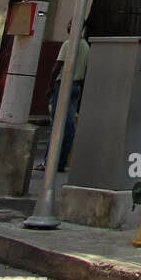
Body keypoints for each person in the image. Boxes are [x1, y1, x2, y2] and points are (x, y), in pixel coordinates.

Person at [38, 20, 90, 172]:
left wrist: (50, 86)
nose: (67, 26)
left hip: (64, 85)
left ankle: (49, 162)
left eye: (70, 24)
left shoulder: (68, 44)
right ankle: (61, 161)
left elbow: (57, 66)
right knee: (69, 126)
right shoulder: (86, 46)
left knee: (57, 125)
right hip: (77, 86)